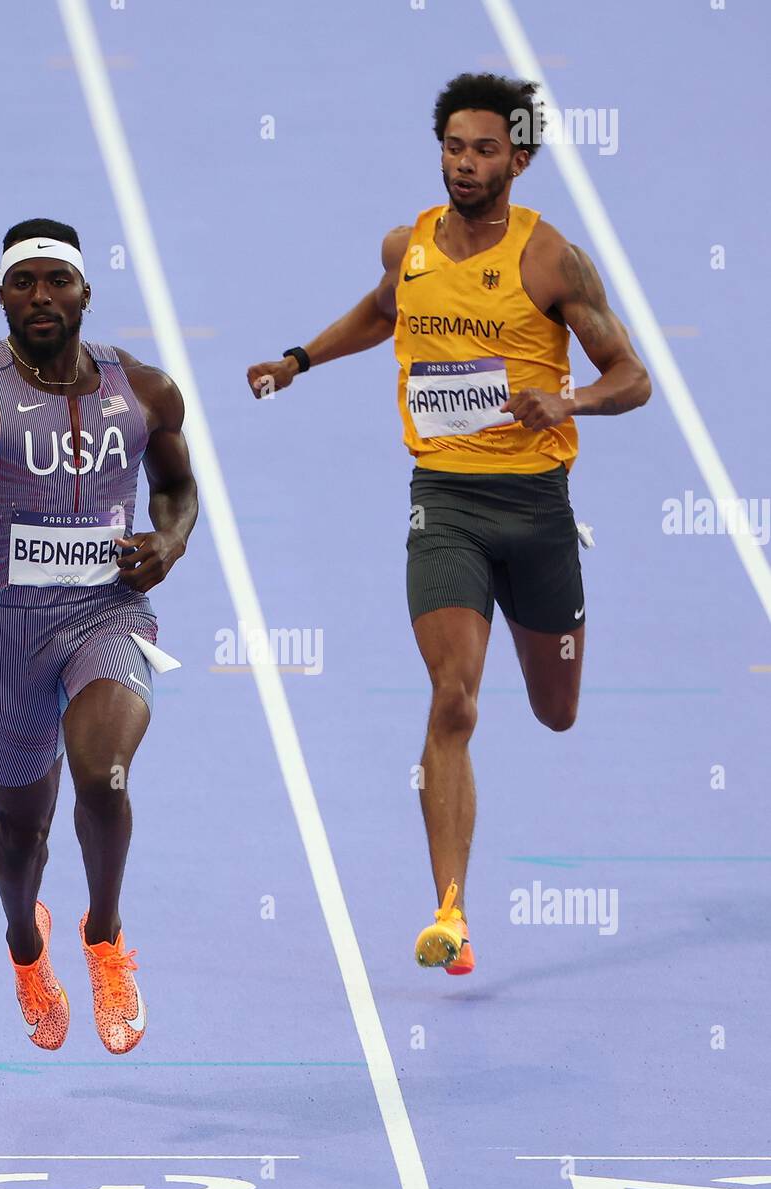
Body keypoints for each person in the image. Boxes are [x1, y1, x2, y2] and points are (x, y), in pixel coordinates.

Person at [246, 74, 650, 976]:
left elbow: (633, 376)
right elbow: (380, 310)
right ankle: (451, 915)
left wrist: (570, 399)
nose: (464, 165)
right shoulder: (411, 243)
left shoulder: (553, 263)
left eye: (482, 151)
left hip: (537, 510)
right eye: (452, 148)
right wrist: (299, 360)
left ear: (519, 158)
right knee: (452, 698)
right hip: (446, 503)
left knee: (555, 713)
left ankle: (550, 634)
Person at [0, 218, 197, 1049]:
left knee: (107, 777)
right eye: (24, 283)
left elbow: (177, 490)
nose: (41, 297)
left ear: (86, 291)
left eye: (57, 281)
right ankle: (27, 944)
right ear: (3, 295)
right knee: (22, 833)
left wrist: (166, 543)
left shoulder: (148, 391)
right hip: (14, 634)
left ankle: (105, 938)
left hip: (110, 615)